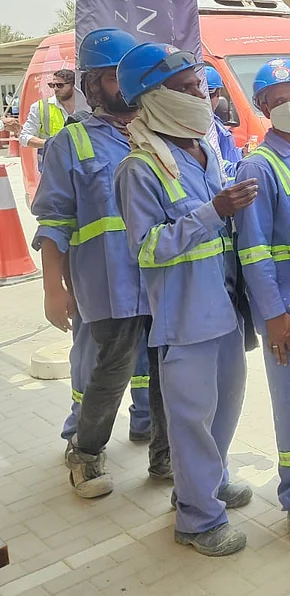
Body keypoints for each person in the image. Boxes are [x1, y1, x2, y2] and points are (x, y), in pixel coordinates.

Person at [114, 43, 259, 557]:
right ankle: (196, 520)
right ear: (153, 99)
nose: (202, 94)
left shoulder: (207, 150)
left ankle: (204, 485)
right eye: (188, 88)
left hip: (225, 306)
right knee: (192, 417)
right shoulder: (141, 167)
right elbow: (147, 248)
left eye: (200, 84)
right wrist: (213, 212)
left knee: (225, 405)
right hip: (186, 315)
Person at [33, 28, 171, 498]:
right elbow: (53, 223)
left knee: (168, 368)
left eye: (129, 75)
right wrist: (54, 288)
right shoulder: (70, 144)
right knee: (110, 370)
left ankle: (165, 456)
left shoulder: (155, 132)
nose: (124, 85)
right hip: (108, 283)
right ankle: (87, 452)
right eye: (113, 76)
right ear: (92, 85)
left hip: (163, 278)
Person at [233, 58, 290, 552]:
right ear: (264, 107)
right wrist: (272, 314)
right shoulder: (258, 165)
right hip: (288, 315)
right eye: (279, 98)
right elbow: (254, 250)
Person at [21, 68, 81, 170]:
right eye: (52, 85)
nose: (55, 89)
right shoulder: (40, 107)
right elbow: (24, 137)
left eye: (60, 85)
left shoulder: (85, 106)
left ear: (73, 85)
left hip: (81, 165)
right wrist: (50, 144)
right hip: (52, 166)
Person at [203, 66, 241, 179]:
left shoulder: (214, 121)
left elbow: (225, 152)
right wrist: (241, 168)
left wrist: (241, 153)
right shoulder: (202, 126)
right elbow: (211, 162)